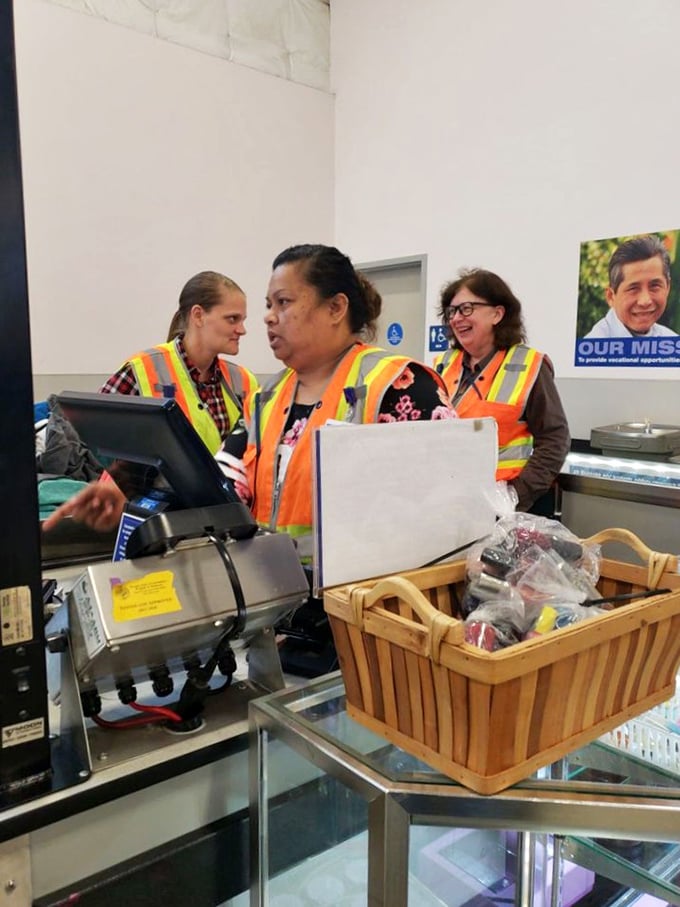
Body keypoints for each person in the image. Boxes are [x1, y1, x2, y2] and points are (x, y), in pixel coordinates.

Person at [221, 243, 453, 559]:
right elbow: (227, 478)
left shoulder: (399, 386)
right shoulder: (267, 395)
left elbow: (450, 505)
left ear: (335, 309)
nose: (268, 317)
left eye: (283, 302)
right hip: (275, 591)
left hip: (360, 598)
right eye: (269, 304)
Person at [42, 270, 258, 532]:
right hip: (158, 522)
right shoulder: (143, 368)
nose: (242, 329)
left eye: (242, 320)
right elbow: (96, 429)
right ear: (198, 315)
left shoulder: (244, 382)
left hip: (222, 520)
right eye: (232, 319)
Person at [434, 268, 570, 514]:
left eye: (466, 308)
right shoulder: (442, 365)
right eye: (452, 311)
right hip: (455, 505)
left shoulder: (530, 366)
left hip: (512, 510)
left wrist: (514, 496)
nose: (455, 318)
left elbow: (554, 441)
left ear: (497, 313)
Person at [584, 235, 675, 338]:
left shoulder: (672, 341)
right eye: (633, 289)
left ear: (667, 288)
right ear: (611, 296)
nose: (645, 301)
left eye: (654, 286)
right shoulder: (593, 349)